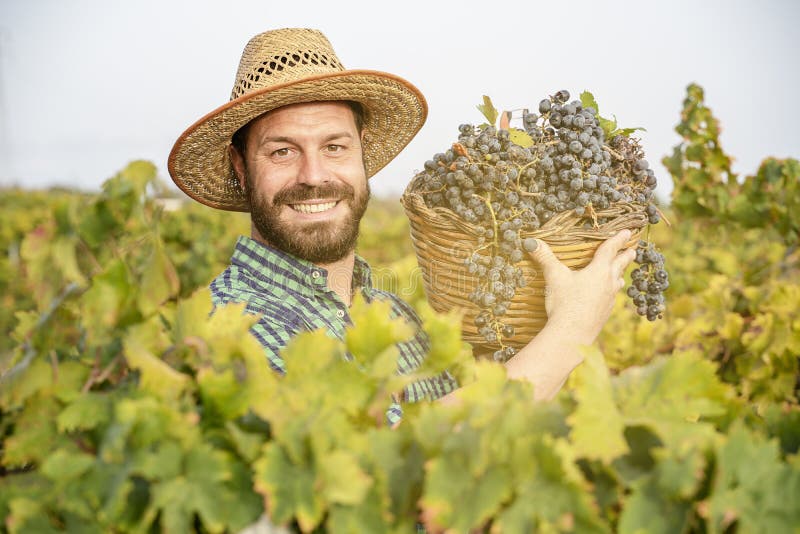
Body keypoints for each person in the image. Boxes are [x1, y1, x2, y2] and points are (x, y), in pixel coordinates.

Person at [168, 28, 636, 423]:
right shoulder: (225, 332)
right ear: (241, 167)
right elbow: (386, 472)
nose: (314, 176)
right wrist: (573, 327)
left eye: (335, 147)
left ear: (362, 153)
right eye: (282, 151)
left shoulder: (395, 316)